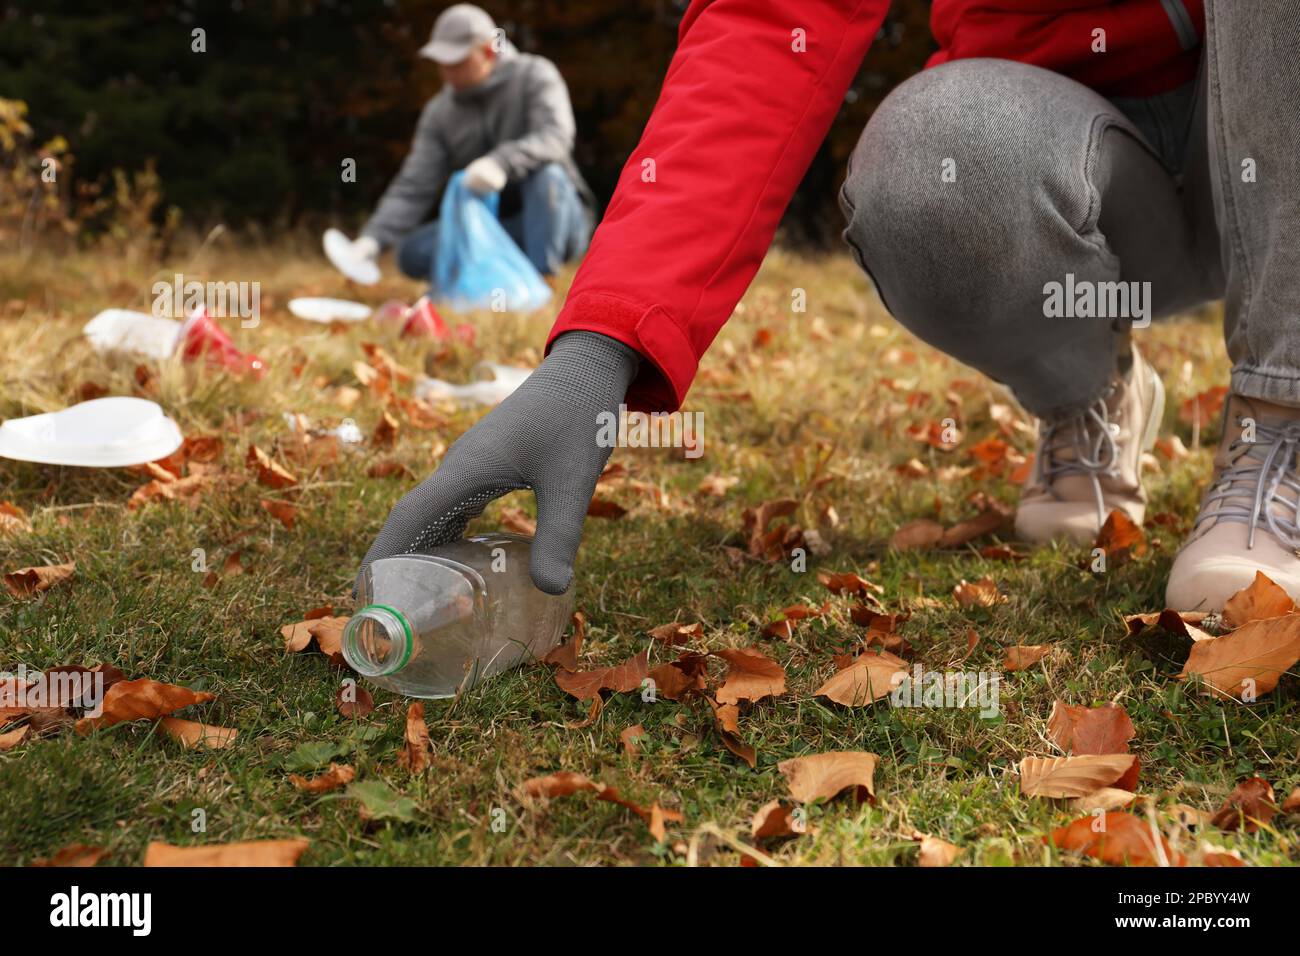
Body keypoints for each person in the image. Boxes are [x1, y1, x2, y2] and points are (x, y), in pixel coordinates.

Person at [358, 0, 1300, 614]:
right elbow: (773, 22)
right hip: (1075, 153)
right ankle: (1088, 398)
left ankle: (1283, 421)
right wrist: (597, 354)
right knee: (936, 163)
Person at [338, 4, 594, 283]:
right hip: (493, 228)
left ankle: (543, 279)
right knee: (413, 252)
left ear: (488, 51)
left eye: (457, 63)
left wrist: (500, 163)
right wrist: (373, 240)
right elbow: (414, 186)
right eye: (443, 64)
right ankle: (496, 276)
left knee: (547, 175)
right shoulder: (439, 113)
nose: (448, 73)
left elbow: (556, 136)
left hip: (558, 219)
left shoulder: (535, 76)